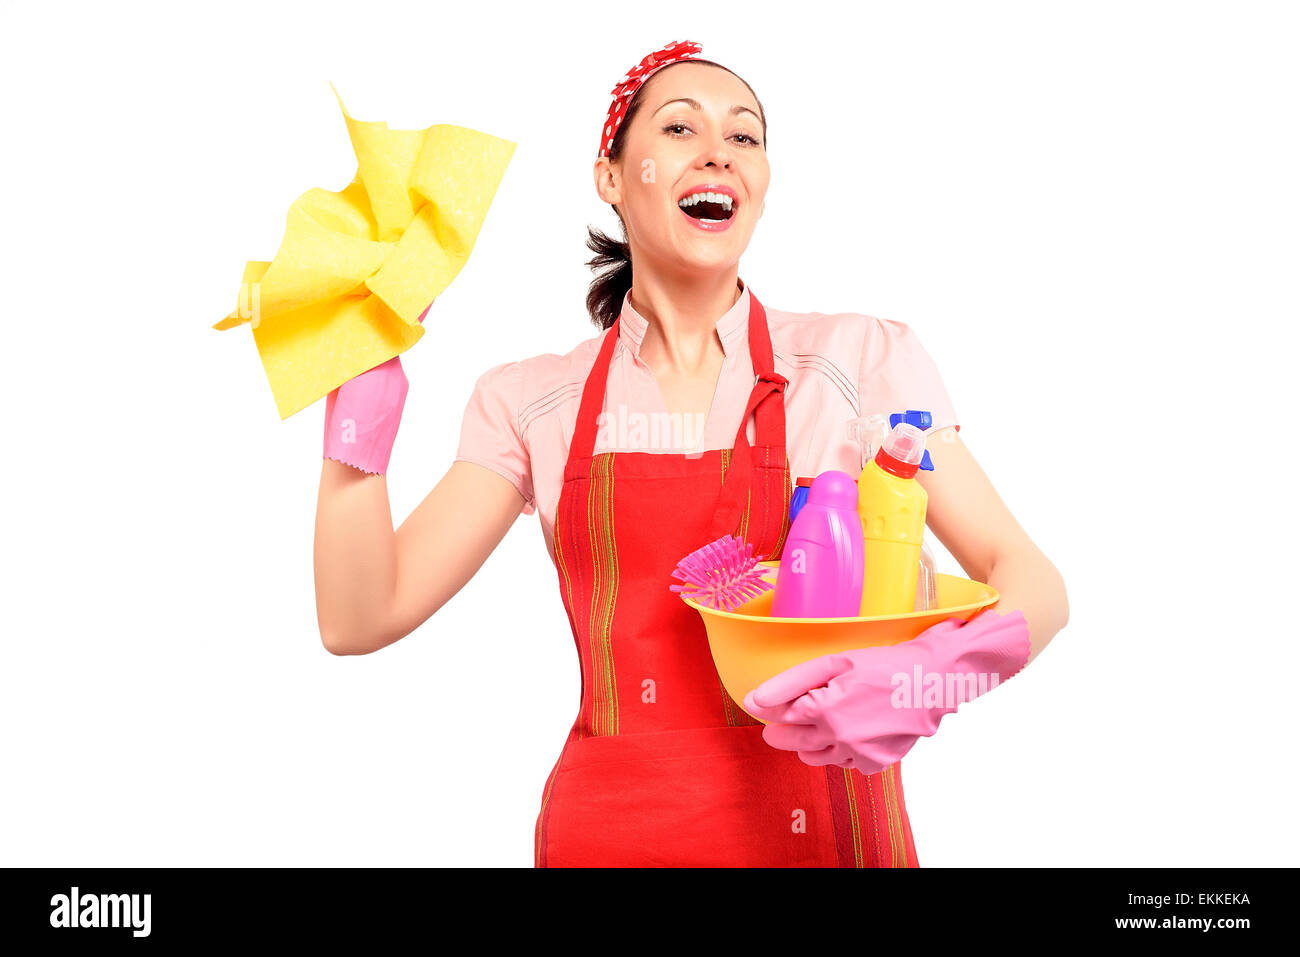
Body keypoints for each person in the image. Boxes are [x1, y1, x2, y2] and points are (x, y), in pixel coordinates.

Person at [313, 40, 1070, 867]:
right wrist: (360, 414)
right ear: (612, 177)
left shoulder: (858, 363)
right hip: (608, 840)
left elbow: (1029, 578)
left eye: (745, 137)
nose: (719, 151)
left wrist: (929, 677)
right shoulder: (532, 400)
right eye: (680, 128)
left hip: (826, 841)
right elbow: (361, 615)